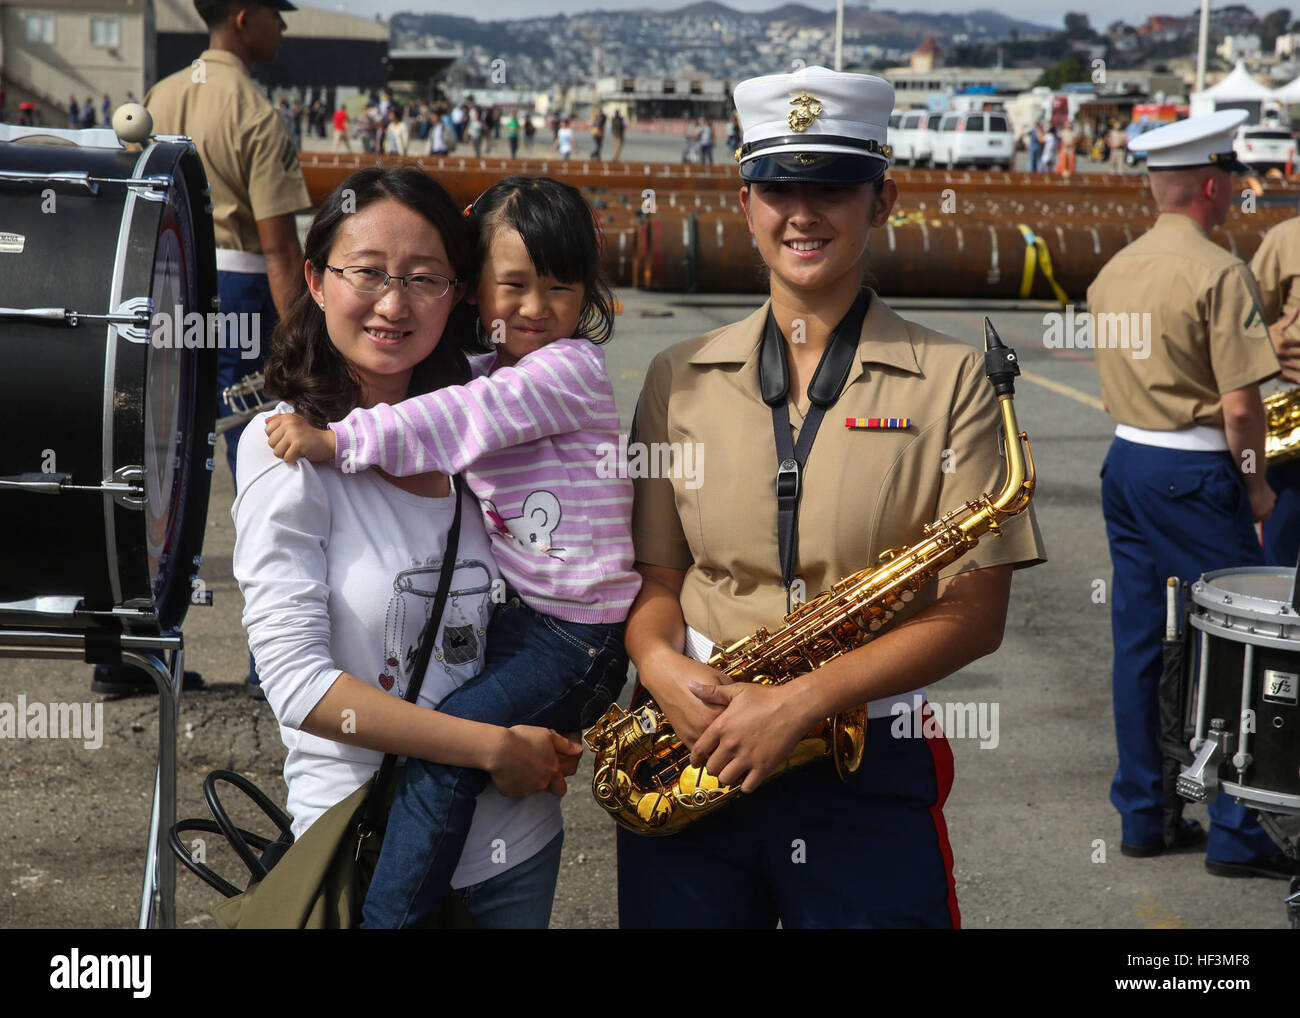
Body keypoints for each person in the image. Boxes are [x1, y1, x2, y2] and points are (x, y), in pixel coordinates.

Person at [617, 65, 1046, 929]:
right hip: (690, 743)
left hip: (863, 761)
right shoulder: (675, 377)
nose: (801, 213)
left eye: (833, 187)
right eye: (776, 185)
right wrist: (662, 670)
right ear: (745, 203)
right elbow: (656, 584)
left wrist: (800, 705)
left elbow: (974, 613)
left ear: (882, 201)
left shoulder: (957, 381)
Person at [264, 175, 637, 928]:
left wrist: (340, 442)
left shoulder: (564, 371)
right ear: (475, 291)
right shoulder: (495, 371)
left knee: (446, 755)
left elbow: (461, 416)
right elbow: (296, 682)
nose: (536, 308)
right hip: (541, 624)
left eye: (561, 288)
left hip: (574, 635)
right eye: (514, 284)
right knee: (460, 744)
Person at [1090, 109, 1295, 879]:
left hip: (1127, 462)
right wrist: (1258, 490)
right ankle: (1237, 836)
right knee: (1238, 646)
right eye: (1235, 179)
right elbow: (1242, 407)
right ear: (1212, 185)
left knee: (1140, 643)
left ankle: (1144, 815)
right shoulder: (1217, 270)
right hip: (1198, 470)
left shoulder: (1116, 268)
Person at [140, 0, 310, 699]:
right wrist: (304, 343)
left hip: (159, 289)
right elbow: (278, 246)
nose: (285, 25)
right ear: (244, 16)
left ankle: (131, 649)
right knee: (264, 483)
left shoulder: (159, 95)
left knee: (152, 472)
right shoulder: (258, 116)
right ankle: (269, 664)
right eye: (277, 11)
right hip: (239, 296)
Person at [1248, 216, 1300, 568]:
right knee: (1279, 569)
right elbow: (1239, 324)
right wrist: (1265, 343)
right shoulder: (1287, 239)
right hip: (1295, 438)